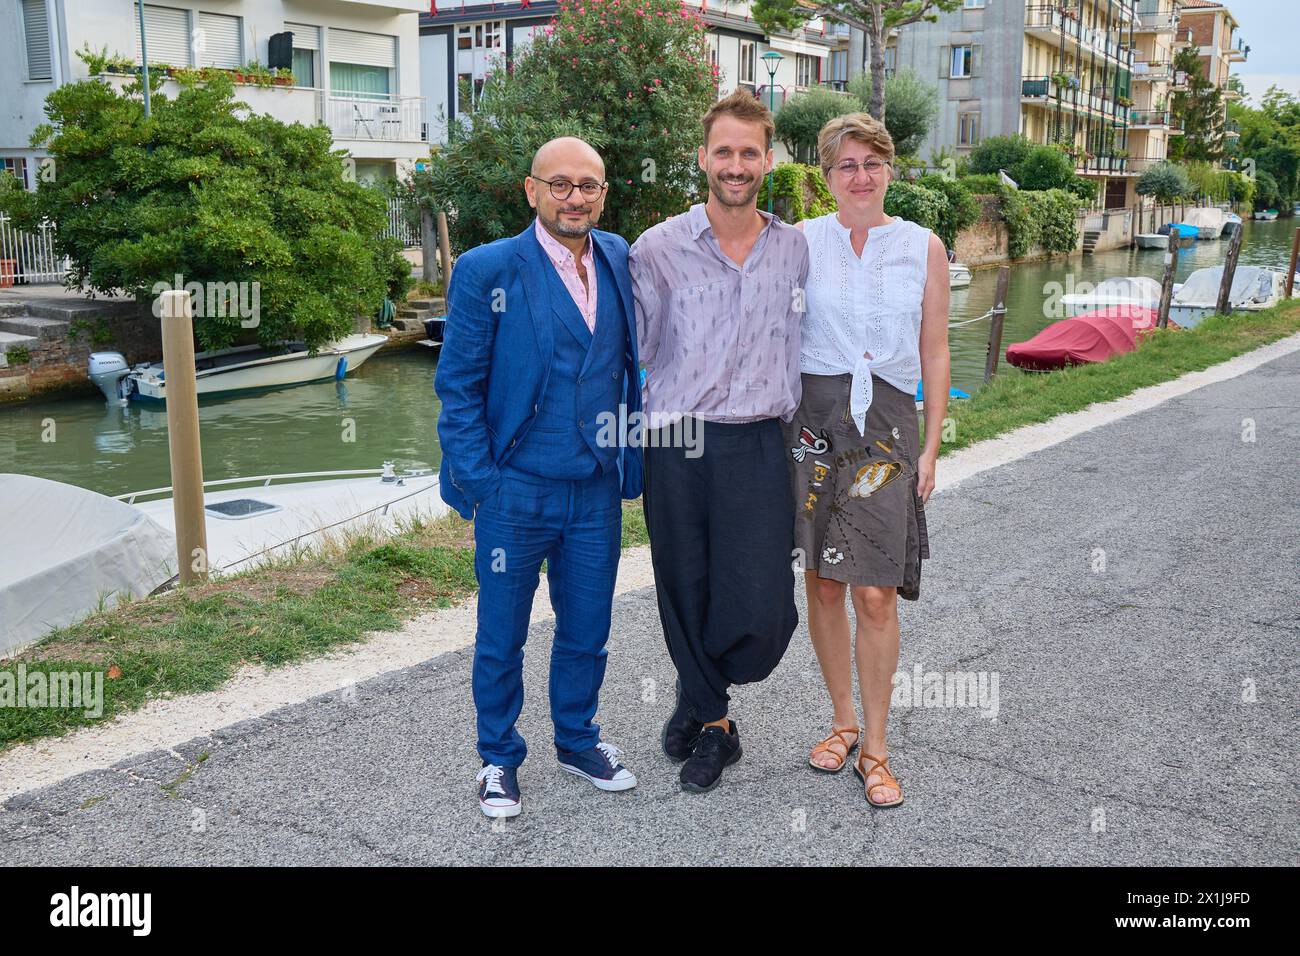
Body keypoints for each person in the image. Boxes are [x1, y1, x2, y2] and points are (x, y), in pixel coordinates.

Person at [435, 137, 644, 818]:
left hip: (594, 490)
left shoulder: (619, 257)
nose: (574, 197)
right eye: (560, 184)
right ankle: (497, 758)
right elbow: (459, 387)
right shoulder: (486, 270)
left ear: (603, 195)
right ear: (532, 191)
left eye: (588, 185)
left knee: (588, 628)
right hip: (513, 489)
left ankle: (578, 740)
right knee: (502, 634)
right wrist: (483, 484)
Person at [629, 89, 810, 794]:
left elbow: (815, 342)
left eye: (750, 152)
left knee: (762, 603)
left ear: (768, 159)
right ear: (703, 158)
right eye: (724, 151)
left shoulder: (794, 249)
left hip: (760, 441)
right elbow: (631, 350)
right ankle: (713, 723)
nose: (736, 164)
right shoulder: (658, 248)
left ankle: (697, 689)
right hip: (676, 439)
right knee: (684, 584)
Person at [787, 113, 950, 808]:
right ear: (826, 178)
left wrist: (933, 442)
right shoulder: (798, 242)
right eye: (846, 165)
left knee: (875, 589)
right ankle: (842, 721)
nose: (860, 176)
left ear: (889, 170)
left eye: (872, 163)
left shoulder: (923, 247)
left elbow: (936, 350)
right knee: (824, 581)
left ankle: (876, 750)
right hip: (814, 421)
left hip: (886, 423)